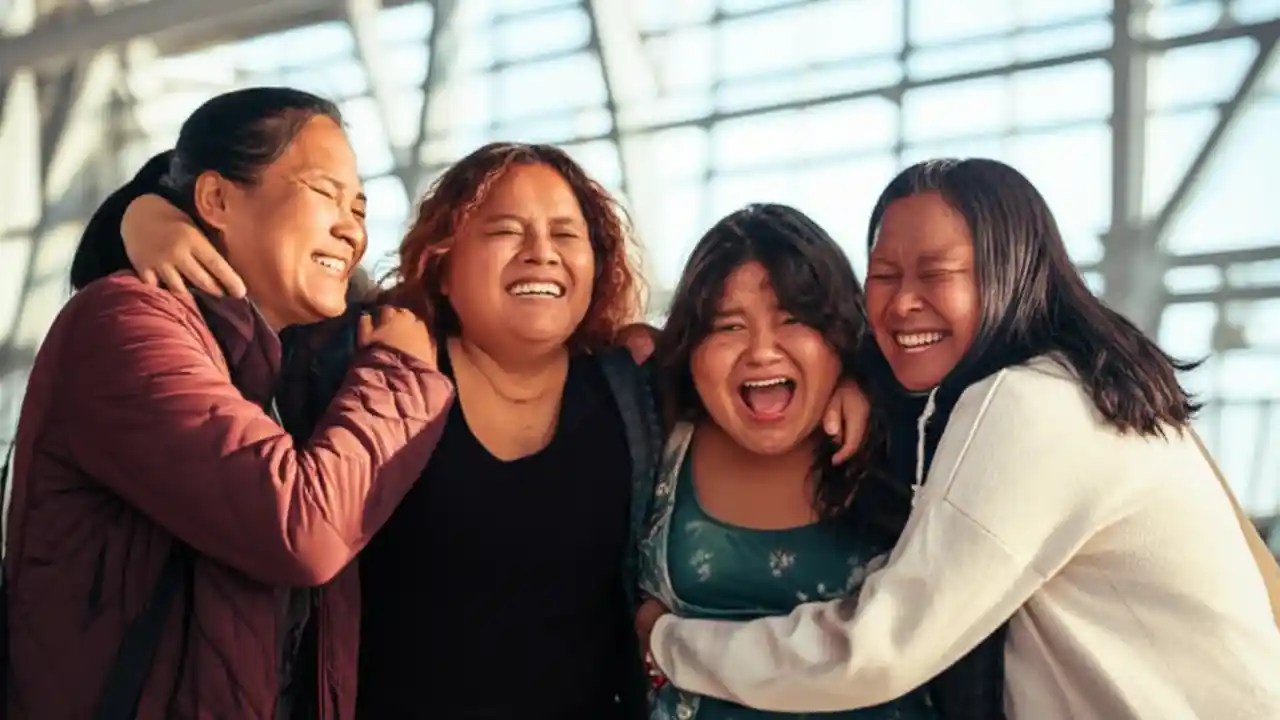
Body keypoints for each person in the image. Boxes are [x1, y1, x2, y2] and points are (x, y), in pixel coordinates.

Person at [121, 142, 871, 719]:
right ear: (444, 264)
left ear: (596, 265)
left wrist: (859, 386)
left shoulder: (634, 386)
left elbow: (765, 364)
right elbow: (238, 268)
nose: (540, 251)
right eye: (506, 230)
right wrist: (137, 214)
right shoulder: (361, 357)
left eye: (565, 234)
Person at [637, 158, 1280, 719]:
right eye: (884, 275)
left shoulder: (1030, 406)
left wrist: (668, 642)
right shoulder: (1088, 384)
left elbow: (881, 649)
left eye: (936, 273)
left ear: (1008, 269)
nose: (901, 303)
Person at [3, 87, 454, 719]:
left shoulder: (284, 363)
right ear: (215, 199)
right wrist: (401, 372)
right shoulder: (123, 324)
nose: (352, 226)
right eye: (325, 192)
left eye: (359, 205)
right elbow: (301, 527)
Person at [638, 203, 934, 720]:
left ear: (841, 335)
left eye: (793, 320)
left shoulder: (912, 442)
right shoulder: (655, 438)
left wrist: (877, 389)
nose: (761, 351)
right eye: (728, 327)